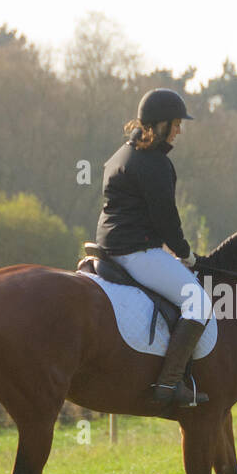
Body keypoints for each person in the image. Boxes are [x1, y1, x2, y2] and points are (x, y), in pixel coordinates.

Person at [95, 88, 212, 407]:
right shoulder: (154, 163)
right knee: (199, 303)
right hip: (137, 251)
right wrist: (186, 254)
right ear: (160, 125)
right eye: (176, 123)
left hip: (109, 247)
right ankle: (169, 383)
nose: (179, 130)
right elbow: (166, 221)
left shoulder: (121, 154)